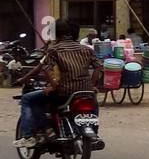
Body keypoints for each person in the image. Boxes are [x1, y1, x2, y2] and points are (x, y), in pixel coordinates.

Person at [13, 19, 100, 148]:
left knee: (27, 99)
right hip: (85, 91)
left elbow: (45, 68)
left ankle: (28, 136)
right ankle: (93, 132)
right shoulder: (86, 49)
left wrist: (53, 85)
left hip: (63, 92)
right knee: (93, 103)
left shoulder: (54, 49)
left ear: (54, 34)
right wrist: (91, 85)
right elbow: (98, 67)